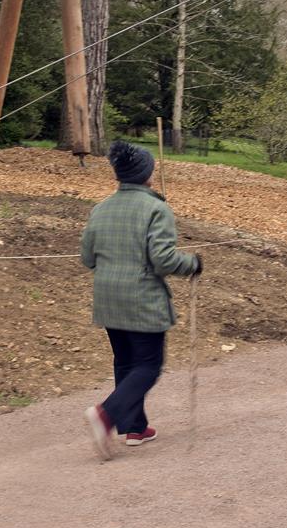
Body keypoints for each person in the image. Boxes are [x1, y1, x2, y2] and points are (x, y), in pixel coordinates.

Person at [81, 140, 202, 460]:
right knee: (148, 365)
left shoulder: (100, 208)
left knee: (125, 363)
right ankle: (106, 415)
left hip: (108, 298)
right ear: (148, 174)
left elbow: (87, 258)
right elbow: (163, 260)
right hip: (142, 299)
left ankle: (134, 427)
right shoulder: (156, 208)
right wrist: (192, 264)